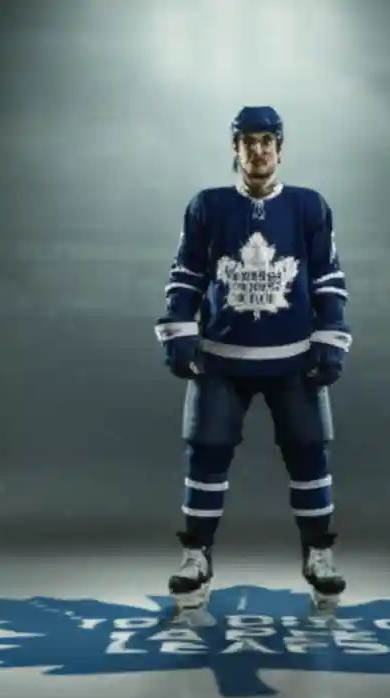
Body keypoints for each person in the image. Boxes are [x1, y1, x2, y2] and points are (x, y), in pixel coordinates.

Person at [153, 106, 353, 622]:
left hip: (292, 359)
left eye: (268, 140)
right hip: (223, 358)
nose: (259, 150)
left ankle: (318, 553)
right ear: (234, 148)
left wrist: (332, 337)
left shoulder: (309, 207)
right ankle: (196, 555)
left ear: (280, 148)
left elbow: (328, 278)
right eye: (249, 141)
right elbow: (187, 275)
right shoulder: (207, 206)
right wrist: (179, 328)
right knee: (207, 451)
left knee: (309, 451)